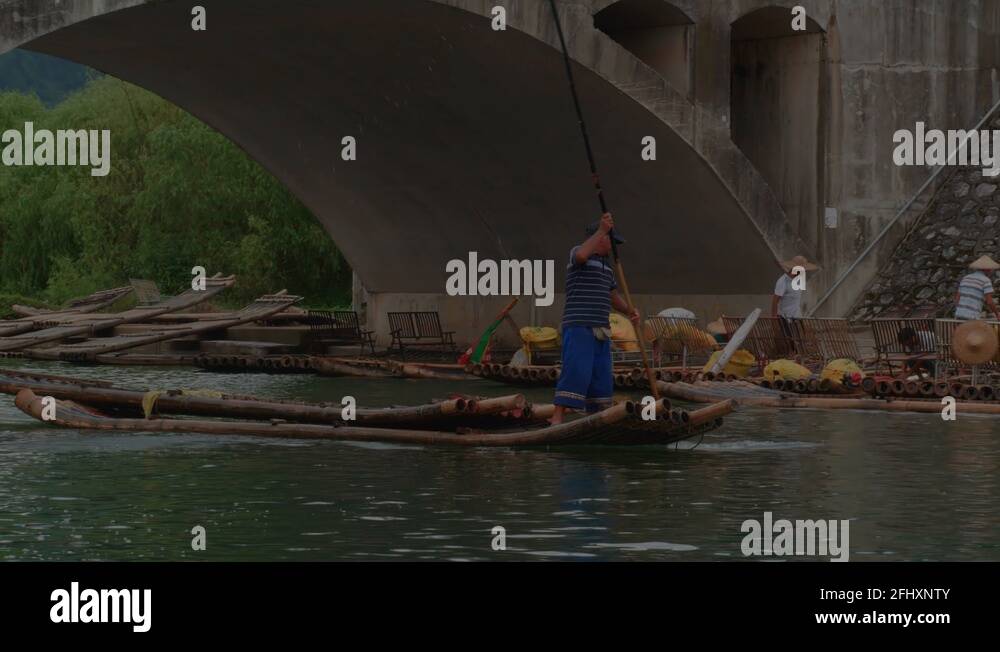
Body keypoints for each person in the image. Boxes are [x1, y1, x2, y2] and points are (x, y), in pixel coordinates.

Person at [550, 213, 639, 425]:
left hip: (601, 329)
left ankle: (596, 418)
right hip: (580, 325)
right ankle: (557, 417)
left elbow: (613, 298)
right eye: (611, 241)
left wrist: (630, 310)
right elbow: (581, 255)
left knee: (601, 376)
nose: (614, 247)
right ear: (600, 239)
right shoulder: (578, 254)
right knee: (576, 370)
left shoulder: (607, 268)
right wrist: (602, 229)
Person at [770, 255, 819, 354]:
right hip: (784, 317)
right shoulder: (783, 281)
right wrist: (774, 318)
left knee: (801, 339)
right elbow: (775, 300)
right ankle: (789, 355)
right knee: (789, 341)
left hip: (796, 315)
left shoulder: (799, 279)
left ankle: (799, 356)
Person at [954, 255, 1000, 321]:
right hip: (972, 317)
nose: (991, 271)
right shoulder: (986, 280)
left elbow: (957, 299)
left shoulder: (965, 278)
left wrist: (961, 311)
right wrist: (997, 314)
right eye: (991, 269)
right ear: (988, 270)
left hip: (958, 316)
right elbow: (989, 302)